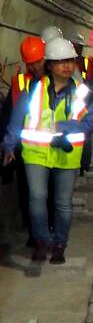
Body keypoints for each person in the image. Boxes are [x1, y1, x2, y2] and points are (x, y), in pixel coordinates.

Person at [2, 37, 93, 263]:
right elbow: (17, 119)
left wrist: (65, 126)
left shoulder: (82, 93)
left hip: (66, 153)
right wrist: (8, 145)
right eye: (60, 61)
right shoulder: (33, 89)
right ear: (49, 65)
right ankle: (41, 241)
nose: (66, 65)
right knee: (37, 197)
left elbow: (89, 122)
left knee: (63, 202)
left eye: (70, 61)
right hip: (35, 151)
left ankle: (59, 243)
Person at [1, 36, 46, 246]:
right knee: (28, 193)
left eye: (38, 61)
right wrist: (7, 144)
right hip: (24, 147)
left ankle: (46, 231)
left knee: (48, 194)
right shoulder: (21, 82)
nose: (35, 66)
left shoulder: (57, 79)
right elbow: (11, 113)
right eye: (31, 63)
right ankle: (34, 233)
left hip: (51, 147)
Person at [69, 32, 93, 172]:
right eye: (74, 45)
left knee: (85, 136)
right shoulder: (61, 62)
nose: (77, 49)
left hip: (85, 102)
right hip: (68, 102)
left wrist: (89, 93)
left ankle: (85, 164)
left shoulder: (88, 63)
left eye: (79, 46)